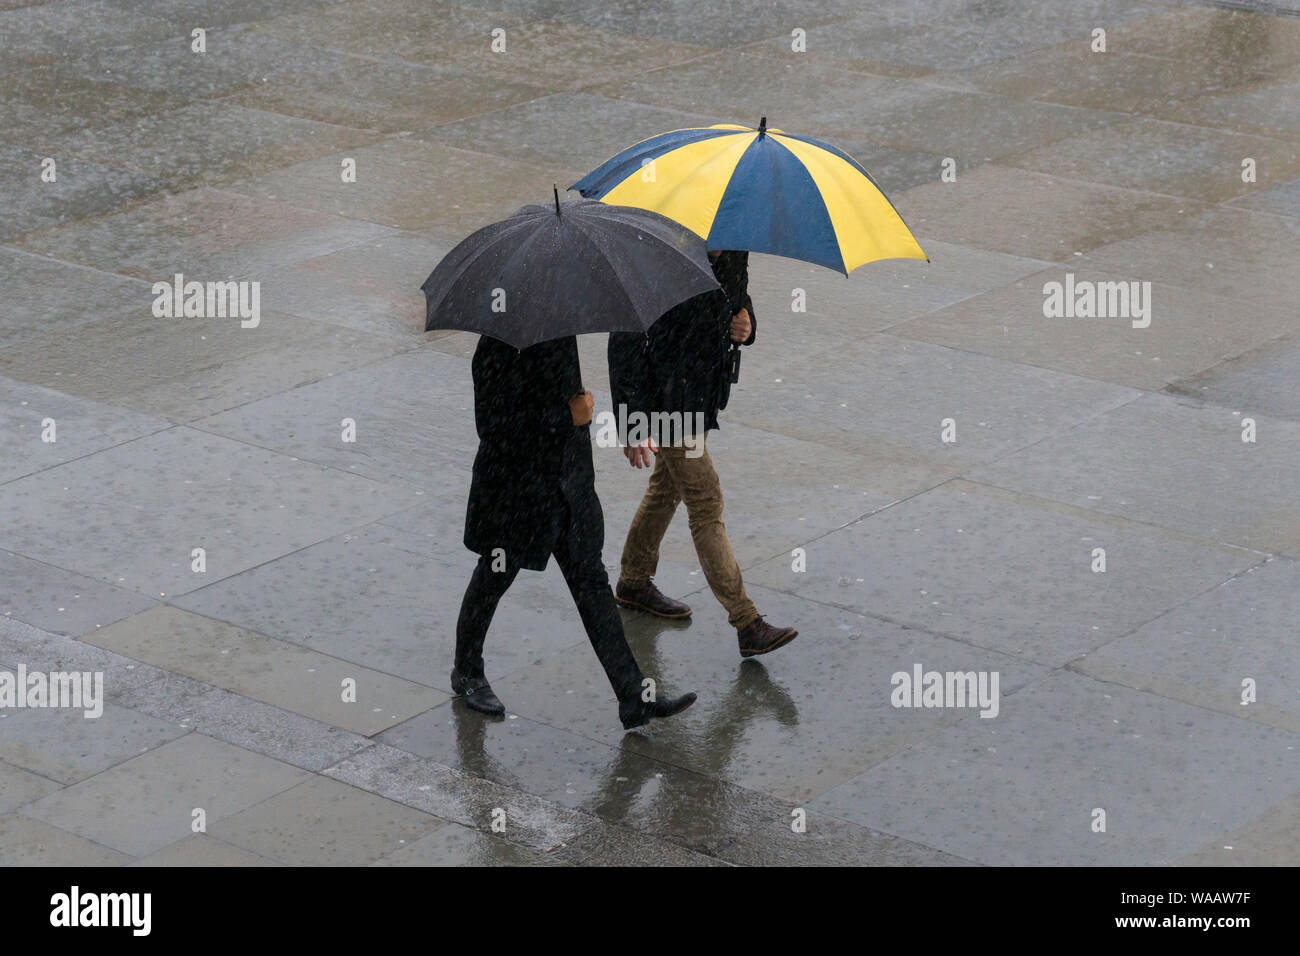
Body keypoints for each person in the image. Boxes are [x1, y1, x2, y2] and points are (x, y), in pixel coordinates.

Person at [453, 333, 696, 730]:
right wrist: (566, 416)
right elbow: (493, 427)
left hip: (569, 487)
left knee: (592, 586)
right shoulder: (498, 344)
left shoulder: (558, 331)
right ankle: (466, 671)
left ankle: (632, 696)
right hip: (519, 491)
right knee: (495, 574)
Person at [609, 250, 798, 658]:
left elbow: (737, 303)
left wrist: (747, 324)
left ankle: (634, 581)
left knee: (666, 490)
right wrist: (632, 422)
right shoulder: (659, 251)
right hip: (670, 402)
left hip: (700, 394)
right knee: (705, 500)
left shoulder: (733, 244)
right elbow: (625, 339)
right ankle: (747, 622)